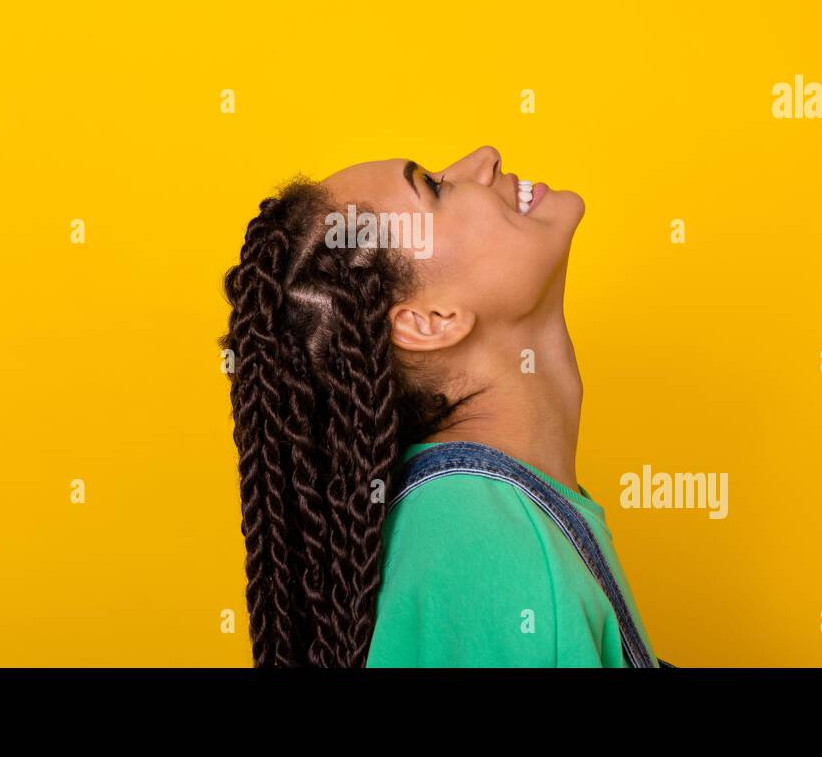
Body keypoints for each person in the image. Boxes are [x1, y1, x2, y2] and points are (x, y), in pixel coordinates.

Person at [220, 145, 658, 667]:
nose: (485, 157)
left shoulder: (487, 517)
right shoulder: (481, 544)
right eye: (434, 187)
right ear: (430, 320)